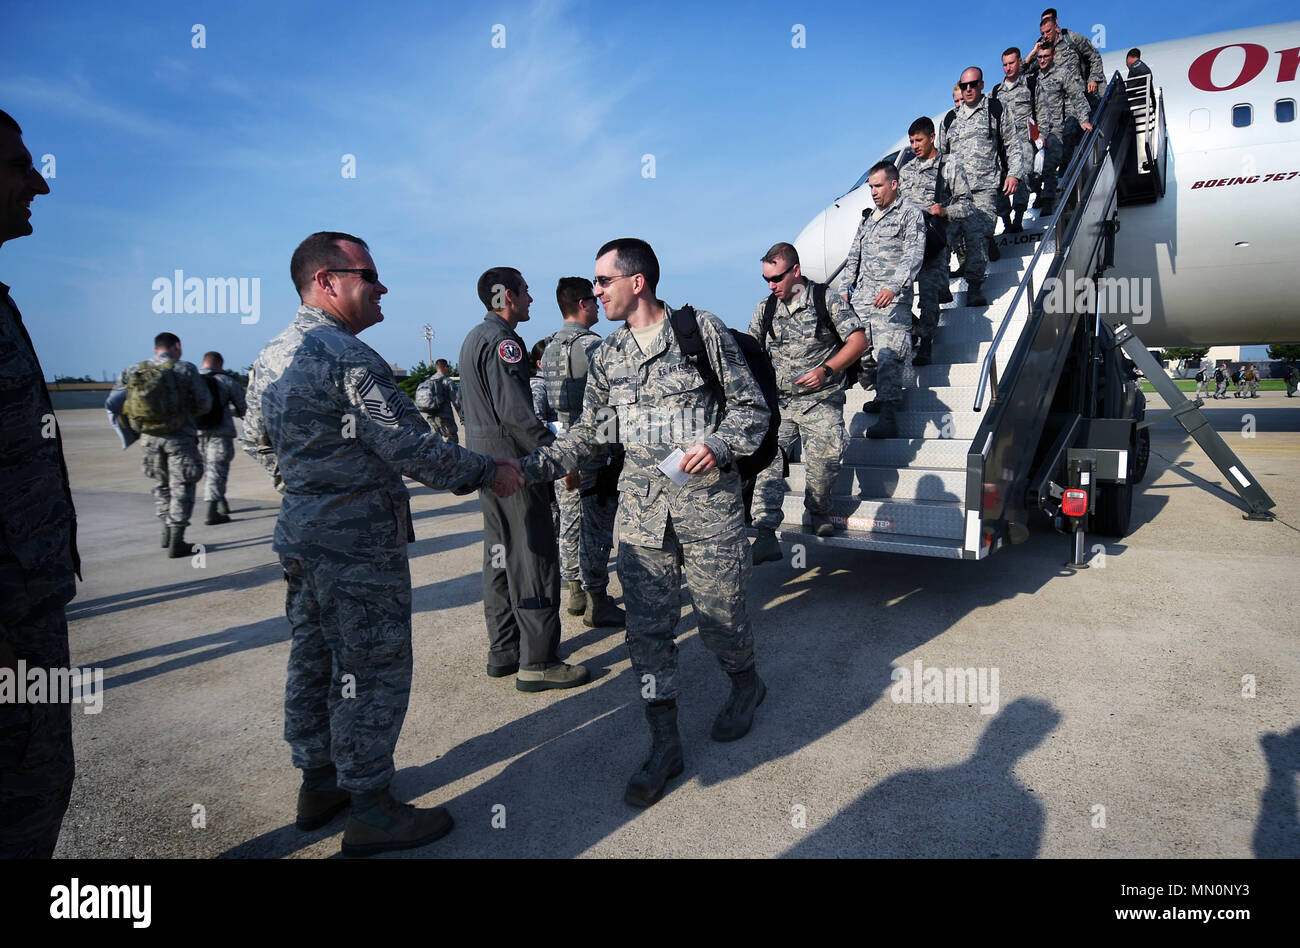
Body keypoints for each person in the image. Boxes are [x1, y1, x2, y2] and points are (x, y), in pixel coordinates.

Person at [241, 231, 524, 857]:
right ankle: (370, 806)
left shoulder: (270, 355)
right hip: (357, 544)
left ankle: (319, 783)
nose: (382, 286)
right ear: (326, 281)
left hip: (301, 532)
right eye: (368, 275)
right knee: (371, 667)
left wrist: (311, 487)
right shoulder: (348, 357)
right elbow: (412, 448)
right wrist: (488, 471)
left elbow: (255, 440)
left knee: (314, 656)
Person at [519, 237, 770, 808]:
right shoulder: (607, 356)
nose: (595, 292)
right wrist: (528, 467)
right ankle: (664, 743)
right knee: (647, 633)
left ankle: (746, 683)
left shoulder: (700, 331)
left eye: (603, 281)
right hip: (641, 517)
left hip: (708, 508)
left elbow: (750, 408)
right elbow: (590, 433)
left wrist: (718, 445)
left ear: (637, 282)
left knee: (721, 617)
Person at [0, 108, 79, 859]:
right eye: (18, 166)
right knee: (23, 794)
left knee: (39, 780)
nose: (39, 184)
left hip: (27, 606)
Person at [459, 267, 591, 691]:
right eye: (527, 291)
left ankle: (504, 650)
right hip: (515, 467)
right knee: (533, 559)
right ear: (507, 296)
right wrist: (559, 459)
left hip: (486, 464)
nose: (532, 299)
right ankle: (538, 660)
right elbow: (518, 416)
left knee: (500, 556)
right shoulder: (505, 343)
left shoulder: (473, 337)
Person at [748, 242, 866, 560]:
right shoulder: (766, 309)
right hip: (782, 405)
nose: (771, 286)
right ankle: (764, 531)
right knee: (767, 460)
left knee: (826, 460)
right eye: (766, 280)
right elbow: (751, 353)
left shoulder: (825, 300)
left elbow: (858, 340)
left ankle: (817, 510)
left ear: (796, 271)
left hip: (821, 399)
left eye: (777, 278)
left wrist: (826, 370)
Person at [541, 277, 624, 627]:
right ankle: (596, 599)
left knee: (569, 520)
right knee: (596, 526)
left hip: (562, 445)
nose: (598, 304)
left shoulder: (549, 347)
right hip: (593, 448)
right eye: (593, 299)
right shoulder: (595, 346)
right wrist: (613, 450)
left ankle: (574, 590)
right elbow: (610, 403)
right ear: (582, 304)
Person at [841, 162, 927, 439]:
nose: (874, 192)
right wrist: (844, 289)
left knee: (888, 355)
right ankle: (879, 394)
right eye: (871, 187)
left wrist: (893, 287)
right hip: (863, 300)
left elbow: (913, 255)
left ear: (893, 184)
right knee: (863, 357)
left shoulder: (909, 214)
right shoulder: (868, 218)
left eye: (878, 186)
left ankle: (889, 416)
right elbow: (854, 255)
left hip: (892, 300)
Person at [111, 332, 213, 557]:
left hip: (148, 438)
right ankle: (177, 539)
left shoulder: (133, 370)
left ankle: (165, 531)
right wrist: (184, 415)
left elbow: (114, 403)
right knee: (182, 485)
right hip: (180, 438)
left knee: (161, 484)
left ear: (155, 348)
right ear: (177, 346)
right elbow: (204, 403)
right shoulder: (185, 369)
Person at [936, 66, 1027, 307]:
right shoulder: (950, 120)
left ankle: (974, 287)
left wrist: (1014, 174)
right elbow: (941, 157)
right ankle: (941, 286)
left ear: (981, 85)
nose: (968, 89)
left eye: (973, 84)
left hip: (984, 189)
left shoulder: (995, 109)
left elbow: (1013, 144)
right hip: (955, 194)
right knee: (946, 239)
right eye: (964, 85)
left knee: (977, 240)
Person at [899, 118, 975, 367]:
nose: (914, 146)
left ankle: (926, 344)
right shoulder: (905, 172)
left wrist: (944, 211)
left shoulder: (949, 165)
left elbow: (967, 205)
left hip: (934, 243)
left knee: (929, 295)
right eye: (911, 141)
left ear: (932, 137)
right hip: (907, 245)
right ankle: (916, 329)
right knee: (895, 296)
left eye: (919, 140)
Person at [1031, 43, 1094, 217]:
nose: (1042, 60)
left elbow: (1077, 96)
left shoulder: (1062, 74)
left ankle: (1048, 201)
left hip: (1055, 128)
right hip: (1036, 130)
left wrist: (1083, 119)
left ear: (1053, 55)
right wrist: (1032, 53)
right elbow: (1017, 70)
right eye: (1040, 57)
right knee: (1030, 170)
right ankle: (1038, 193)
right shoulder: (1033, 78)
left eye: (1046, 56)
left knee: (1050, 165)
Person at [990, 47, 1037, 233]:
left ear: (1019, 62)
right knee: (998, 181)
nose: (1008, 68)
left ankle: (1018, 218)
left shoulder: (1030, 84)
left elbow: (1040, 111)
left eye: (1011, 63)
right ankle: (1006, 221)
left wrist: (1040, 136)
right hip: (1003, 145)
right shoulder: (996, 92)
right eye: (1005, 65)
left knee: (1022, 177)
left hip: (1024, 141)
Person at [196, 351, 246, 525]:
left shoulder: (191, 379)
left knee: (208, 469)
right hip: (220, 432)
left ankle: (221, 502)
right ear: (220, 364)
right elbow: (243, 408)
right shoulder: (226, 381)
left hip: (196, 432)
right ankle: (211, 512)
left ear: (204, 362)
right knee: (217, 470)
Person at [1026, 9, 1106, 106]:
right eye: (1043, 33)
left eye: (1048, 31)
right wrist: (1032, 53)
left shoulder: (1071, 38)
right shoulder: (1041, 48)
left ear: (1055, 25)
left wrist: (1093, 79)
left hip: (1079, 95)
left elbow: (1094, 55)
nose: (1045, 36)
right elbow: (1023, 70)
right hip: (1058, 102)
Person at [413, 358, 460, 444]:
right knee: (452, 441)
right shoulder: (447, 381)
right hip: (446, 418)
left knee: (435, 443)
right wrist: (463, 417)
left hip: (431, 418)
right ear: (445, 367)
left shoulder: (428, 381)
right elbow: (457, 401)